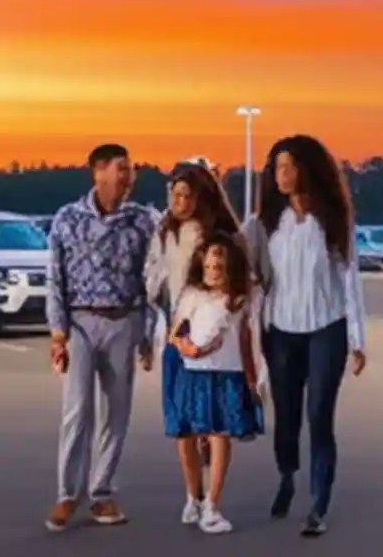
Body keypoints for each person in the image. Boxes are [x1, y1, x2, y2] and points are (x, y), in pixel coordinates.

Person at [242, 134, 367, 537]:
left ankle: (318, 503)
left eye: (288, 166)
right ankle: (286, 476)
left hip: (326, 329)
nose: (281, 175)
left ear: (306, 170)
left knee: (319, 416)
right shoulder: (265, 226)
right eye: (276, 167)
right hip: (281, 332)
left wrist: (357, 339)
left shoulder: (332, 220)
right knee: (287, 418)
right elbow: (250, 276)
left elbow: (350, 281)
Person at [44, 143, 158, 532]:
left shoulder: (143, 221)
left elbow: (152, 281)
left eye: (131, 169)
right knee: (77, 411)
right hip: (78, 322)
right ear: (99, 172)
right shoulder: (67, 219)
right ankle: (66, 494)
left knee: (117, 412)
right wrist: (57, 332)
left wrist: (148, 333)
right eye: (122, 169)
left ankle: (102, 492)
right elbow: (54, 278)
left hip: (124, 321)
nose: (129, 177)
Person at [143, 161, 244, 524]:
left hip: (212, 340)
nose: (180, 201)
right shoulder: (164, 230)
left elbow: (239, 284)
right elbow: (153, 279)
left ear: (201, 196)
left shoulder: (217, 235)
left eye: (187, 195)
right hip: (173, 336)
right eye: (175, 194)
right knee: (181, 423)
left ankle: (213, 503)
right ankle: (192, 495)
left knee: (216, 424)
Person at [167, 232, 264, 534]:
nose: (213, 269)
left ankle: (212, 504)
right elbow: (175, 333)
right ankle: (192, 497)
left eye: (219, 263)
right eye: (208, 263)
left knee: (221, 434)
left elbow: (247, 340)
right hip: (193, 372)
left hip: (228, 373)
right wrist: (187, 348)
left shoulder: (241, 299)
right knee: (191, 434)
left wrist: (253, 379)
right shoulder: (192, 295)